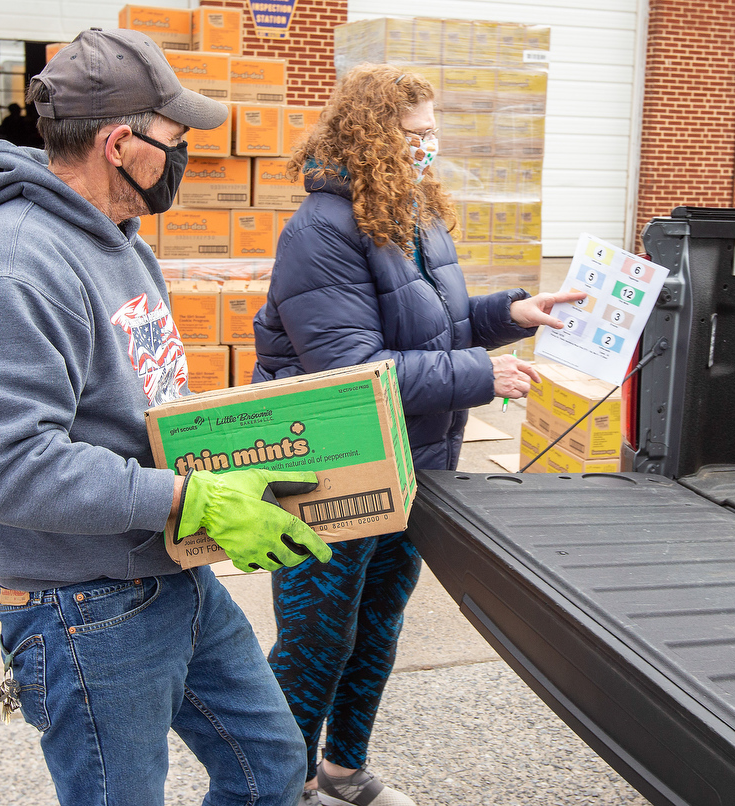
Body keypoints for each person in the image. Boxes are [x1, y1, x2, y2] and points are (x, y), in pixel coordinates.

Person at [0, 28, 334, 806]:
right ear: (119, 142)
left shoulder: (124, 243)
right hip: (84, 607)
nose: (184, 158)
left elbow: (142, 397)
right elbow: (7, 464)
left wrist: (226, 452)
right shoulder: (15, 266)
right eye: (175, 140)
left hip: (171, 572)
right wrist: (187, 496)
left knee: (270, 770)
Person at [253, 62, 584, 806]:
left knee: (377, 625)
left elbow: (440, 328)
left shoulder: (415, 216)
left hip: (415, 462)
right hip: (332, 471)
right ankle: (287, 782)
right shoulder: (319, 234)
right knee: (316, 639)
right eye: (415, 135)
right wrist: (479, 376)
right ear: (372, 138)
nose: (429, 148)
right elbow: (351, 370)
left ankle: (344, 767)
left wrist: (510, 315)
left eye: (433, 133)